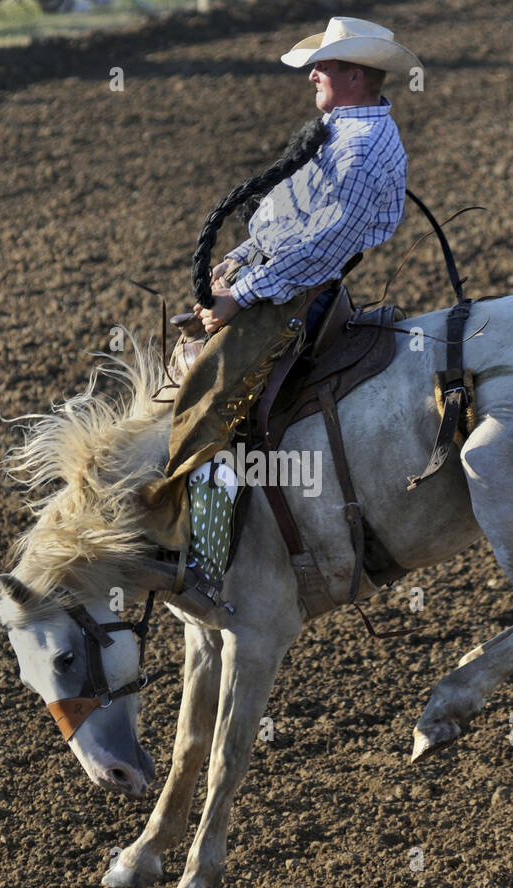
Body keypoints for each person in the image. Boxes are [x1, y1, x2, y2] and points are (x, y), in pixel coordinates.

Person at [137, 16, 419, 556]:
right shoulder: (341, 131)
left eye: (325, 66)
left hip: (297, 293)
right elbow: (290, 223)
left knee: (214, 396)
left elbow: (326, 245)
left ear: (357, 75)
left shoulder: (360, 149)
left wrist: (240, 296)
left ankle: (204, 547)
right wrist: (235, 263)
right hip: (279, 277)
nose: (313, 73)